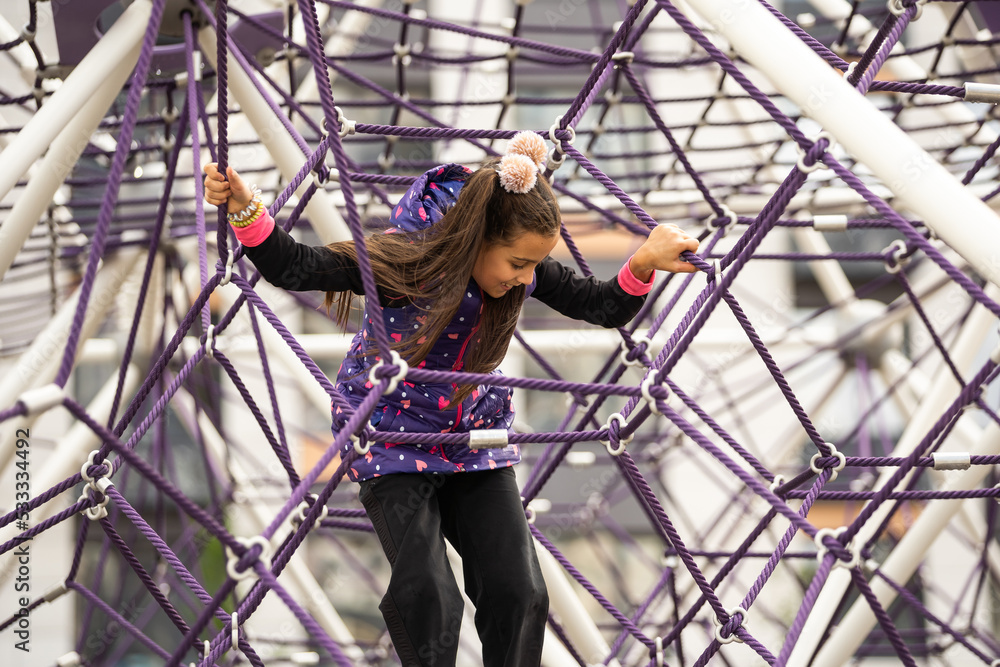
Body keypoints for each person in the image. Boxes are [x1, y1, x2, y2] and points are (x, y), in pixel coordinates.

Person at [203, 131, 699, 667]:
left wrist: (644, 260)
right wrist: (244, 206)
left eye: (534, 266)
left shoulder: (520, 272)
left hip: (472, 437)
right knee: (431, 595)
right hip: (393, 436)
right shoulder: (406, 262)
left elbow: (600, 306)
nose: (525, 280)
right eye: (516, 264)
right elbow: (295, 266)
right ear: (479, 238)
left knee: (520, 591)